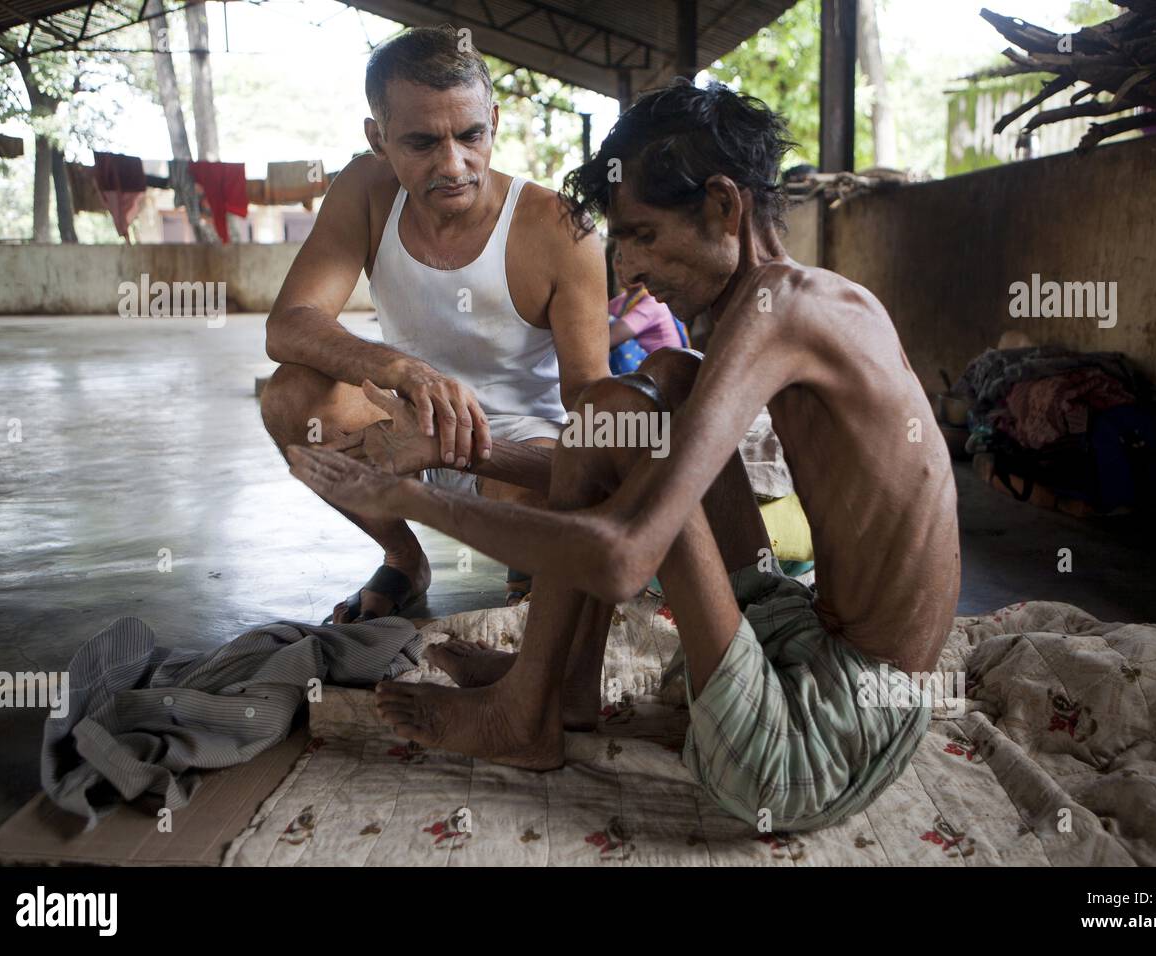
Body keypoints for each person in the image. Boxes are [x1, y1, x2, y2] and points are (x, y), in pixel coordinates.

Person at [288, 80, 960, 832]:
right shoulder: (790, 300)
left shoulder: (781, 310)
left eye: (641, 234)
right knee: (644, 395)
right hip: (811, 651)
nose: (629, 270)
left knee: (640, 432)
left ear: (724, 205)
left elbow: (627, 556)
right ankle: (556, 692)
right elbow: (622, 466)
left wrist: (414, 501)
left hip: (817, 747)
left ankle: (525, 708)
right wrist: (452, 455)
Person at [259, 26, 609, 620]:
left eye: (471, 135)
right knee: (291, 396)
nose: (454, 165)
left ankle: (531, 565)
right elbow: (289, 325)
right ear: (378, 138)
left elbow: (591, 411)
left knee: (561, 488)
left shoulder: (559, 227)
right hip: (400, 425)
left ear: (494, 120)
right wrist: (403, 370)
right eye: (421, 143)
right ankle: (403, 560)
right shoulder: (367, 190)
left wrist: (482, 456)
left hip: (517, 448)